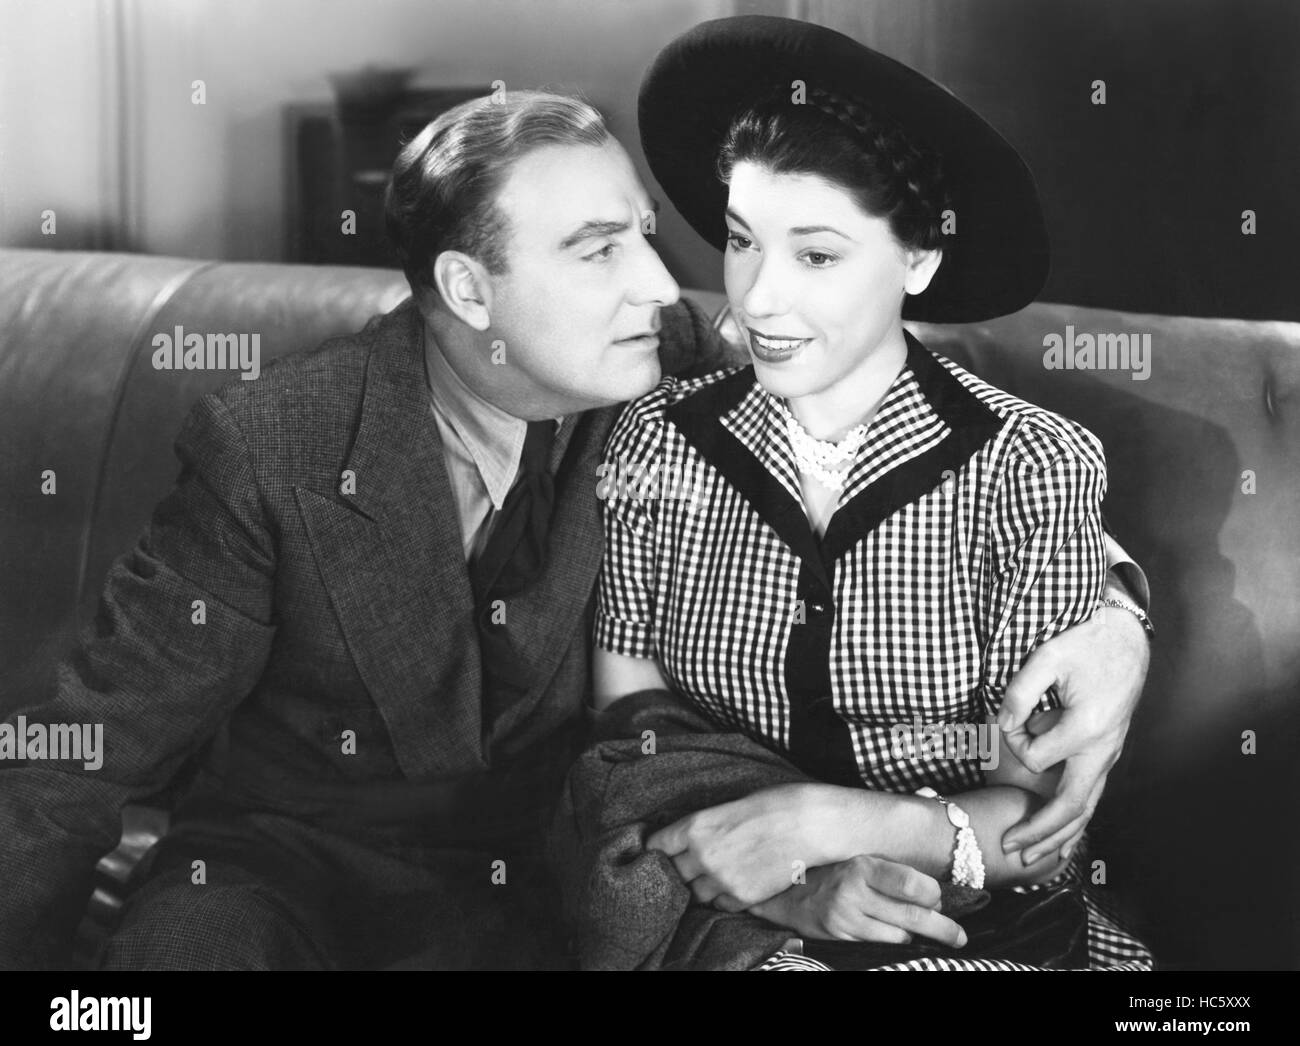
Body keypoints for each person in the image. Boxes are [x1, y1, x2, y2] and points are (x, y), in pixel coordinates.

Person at [0, 82, 1148, 969]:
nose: (664, 284)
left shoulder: (676, 374)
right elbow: (87, 743)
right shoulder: (273, 446)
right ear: (467, 289)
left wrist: (1114, 613)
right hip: (282, 867)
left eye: (646, 235)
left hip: (550, 878)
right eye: (599, 250)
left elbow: (932, 441)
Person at [590, 16, 1154, 969]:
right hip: (722, 928)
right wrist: (796, 884)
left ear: (919, 261)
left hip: (969, 939)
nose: (759, 298)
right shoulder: (659, 439)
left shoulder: (1031, 464)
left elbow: (1037, 824)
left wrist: (828, 821)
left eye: (816, 255)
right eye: (740, 241)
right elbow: (628, 748)